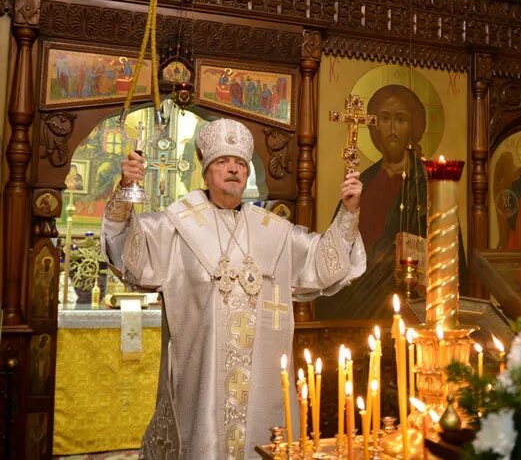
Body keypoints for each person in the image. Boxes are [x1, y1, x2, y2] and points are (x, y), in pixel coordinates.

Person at [101, 118, 366, 459]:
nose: (233, 169)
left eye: (240, 163)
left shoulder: (275, 231)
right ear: (206, 172)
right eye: (223, 162)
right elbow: (127, 252)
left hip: (263, 383)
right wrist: (126, 191)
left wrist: (349, 210)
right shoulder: (176, 225)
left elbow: (324, 262)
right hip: (201, 382)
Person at [315, 85, 428, 320]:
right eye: (385, 118)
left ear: (413, 128)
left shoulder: (426, 182)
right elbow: (338, 242)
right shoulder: (364, 180)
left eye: (401, 119)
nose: (393, 128)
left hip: (402, 298)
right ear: (375, 127)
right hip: (357, 292)